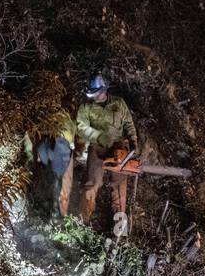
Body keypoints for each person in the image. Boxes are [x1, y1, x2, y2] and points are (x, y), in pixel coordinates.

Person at [74, 74, 139, 224]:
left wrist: (133, 142)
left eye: (96, 93)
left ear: (104, 91)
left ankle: (120, 230)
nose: (94, 97)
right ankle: (81, 223)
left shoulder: (119, 103)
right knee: (91, 184)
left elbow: (129, 124)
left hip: (119, 149)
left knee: (119, 189)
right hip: (97, 148)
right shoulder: (86, 107)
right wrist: (98, 136)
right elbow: (81, 127)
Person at [21, 70, 77, 220]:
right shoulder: (66, 116)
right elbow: (74, 136)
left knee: (46, 178)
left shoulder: (42, 111)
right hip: (58, 144)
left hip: (45, 145)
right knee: (59, 179)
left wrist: (31, 156)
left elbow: (29, 133)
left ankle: (38, 211)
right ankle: (56, 216)